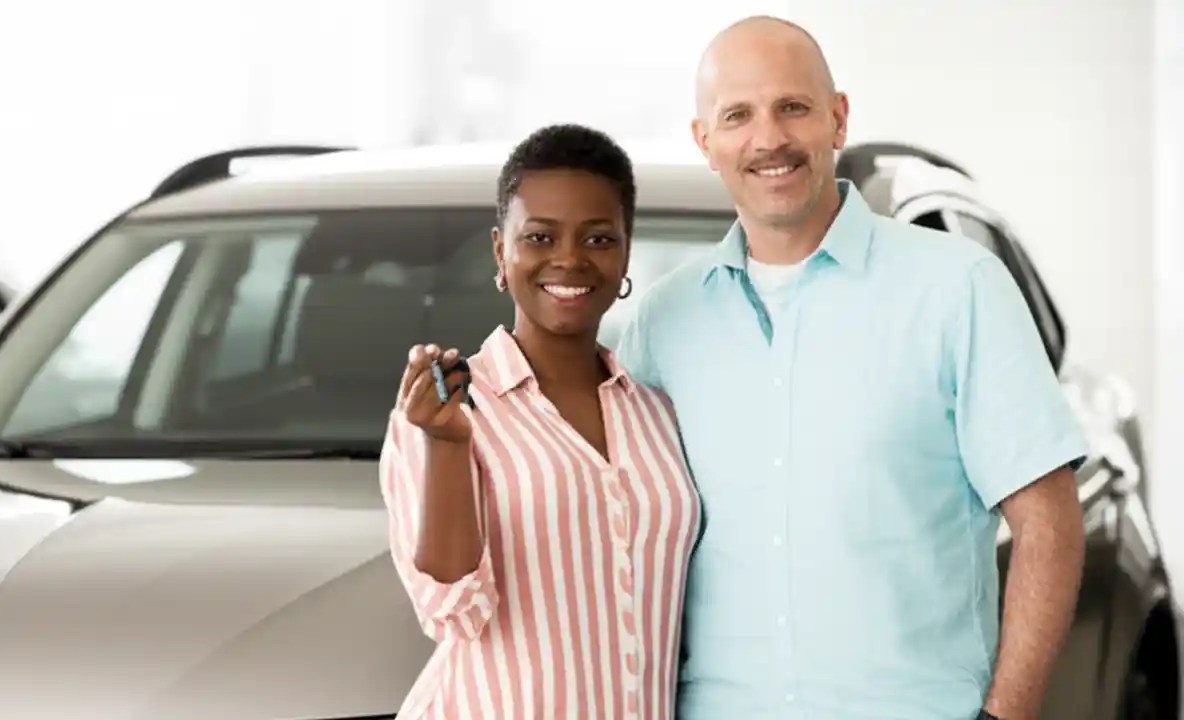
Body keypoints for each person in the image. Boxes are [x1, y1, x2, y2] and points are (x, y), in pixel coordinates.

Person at [616, 15, 1088, 720]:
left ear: (838, 119)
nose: (769, 138)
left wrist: (1006, 714)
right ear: (704, 142)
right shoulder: (662, 325)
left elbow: (1048, 520)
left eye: (793, 107)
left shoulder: (958, 289)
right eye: (738, 115)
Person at [380, 123, 702, 720]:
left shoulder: (659, 412)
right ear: (502, 250)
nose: (569, 259)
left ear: (627, 250)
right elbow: (452, 610)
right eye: (540, 236)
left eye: (599, 238)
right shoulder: (442, 414)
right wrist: (449, 444)